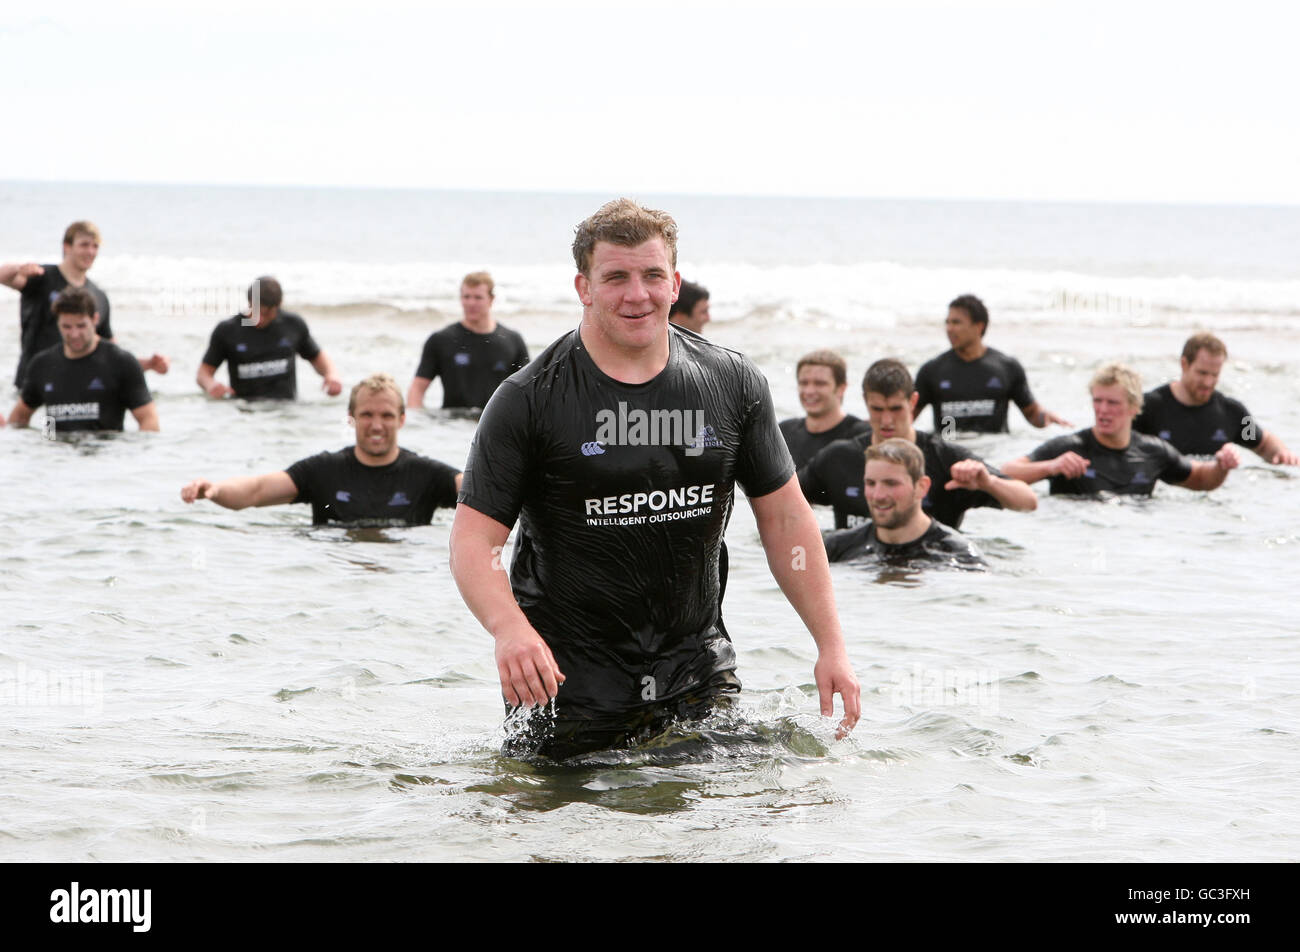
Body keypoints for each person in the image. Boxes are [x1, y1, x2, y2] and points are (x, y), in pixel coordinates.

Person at [448, 198, 860, 760]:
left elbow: (787, 519)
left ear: (675, 283)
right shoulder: (528, 400)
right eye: (615, 276)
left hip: (697, 672)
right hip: (567, 683)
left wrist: (830, 645)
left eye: (651, 275)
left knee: (727, 827)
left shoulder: (733, 383)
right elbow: (475, 540)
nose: (636, 294)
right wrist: (508, 630)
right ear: (584, 286)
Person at [180, 374, 461, 525]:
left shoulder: (427, 474)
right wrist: (213, 490)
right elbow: (256, 491)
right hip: (334, 568)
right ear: (351, 417)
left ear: (401, 419)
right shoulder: (324, 470)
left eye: (386, 416)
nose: (377, 425)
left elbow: (477, 491)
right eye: (366, 415)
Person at [800, 358, 1037, 529]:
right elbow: (780, 503)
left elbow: (1028, 501)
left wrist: (989, 482)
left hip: (925, 577)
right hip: (859, 580)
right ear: (865, 402)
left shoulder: (946, 459)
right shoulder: (837, 458)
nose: (886, 420)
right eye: (877, 409)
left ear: (913, 401)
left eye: (895, 409)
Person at [1002, 363, 1239, 495]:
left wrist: (1221, 465)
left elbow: (1200, 479)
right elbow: (1005, 473)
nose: (1102, 410)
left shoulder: (1153, 451)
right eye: (1098, 401)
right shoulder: (1070, 448)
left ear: (1134, 408)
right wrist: (1050, 467)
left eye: (1112, 403)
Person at [1, 220, 168, 387]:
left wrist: (148, 364)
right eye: (84, 245)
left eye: (95, 246)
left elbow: (111, 354)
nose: (90, 251)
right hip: (33, 386)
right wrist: (19, 268)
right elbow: (3, 277)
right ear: (67, 246)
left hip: (75, 391)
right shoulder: (42, 277)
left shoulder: (98, 297)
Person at [5, 288, 159, 433]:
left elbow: (149, 420)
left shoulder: (120, 362)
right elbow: (19, 418)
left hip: (102, 450)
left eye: (81, 326)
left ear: (95, 319)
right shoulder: (42, 364)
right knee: (49, 433)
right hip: (54, 452)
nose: (74, 334)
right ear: (57, 323)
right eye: (66, 327)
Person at [914, 294, 1069, 434]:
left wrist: (1046, 417)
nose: (949, 329)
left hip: (994, 450)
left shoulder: (1007, 367)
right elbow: (907, 417)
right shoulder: (932, 371)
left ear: (979, 326)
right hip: (948, 450)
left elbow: (1032, 413)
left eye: (956, 322)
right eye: (947, 323)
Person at [1133, 332, 1298, 464]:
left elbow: (1263, 443)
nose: (1208, 382)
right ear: (1184, 364)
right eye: (1202, 373)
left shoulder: (1231, 412)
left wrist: (1282, 454)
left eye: (1215, 374)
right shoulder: (1149, 407)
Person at [823, 440, 985, 568]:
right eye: (871, 483)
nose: (878, 495)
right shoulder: (834, 548)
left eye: (891, 483)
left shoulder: (960, 556)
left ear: (921, 487)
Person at [197, 277, 342, 400]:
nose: (260, 318)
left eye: (266, 314)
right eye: (256, 311)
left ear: (278, 306)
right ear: (249, 303)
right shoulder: (227, 330)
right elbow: (203, 374)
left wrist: (331, 375)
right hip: (245, 412)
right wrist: (212, 385)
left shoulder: (293, 324)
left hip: (285, 409)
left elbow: (317, 357)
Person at [406, 271, 529, 411]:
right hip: (453, 423)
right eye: (466, 297)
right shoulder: (441, 339)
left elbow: (526, 392)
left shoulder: (512, 341)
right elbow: (417, 389)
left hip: (495, 425)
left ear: (491, 299)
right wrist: (418, 424)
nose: (471, 303)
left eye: (478, 297)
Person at [778, 349, 871, 468]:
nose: (809, 391)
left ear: (841, 388)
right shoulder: (783, 432)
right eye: (803, 383)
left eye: (820, 384)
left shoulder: (862, 435)